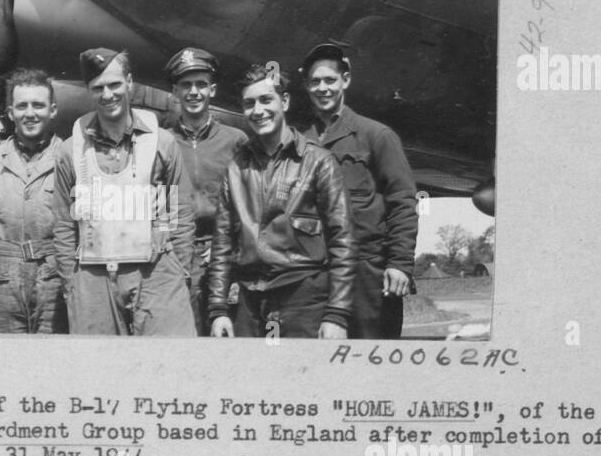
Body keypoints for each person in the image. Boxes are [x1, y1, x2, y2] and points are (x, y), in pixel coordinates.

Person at [50, 47, 196, 336]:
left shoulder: (162, 142)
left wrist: (180, 271)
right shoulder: (70, 150)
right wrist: (72, 284)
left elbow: (179, 212)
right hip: (94, 274)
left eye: (115, 85)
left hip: (156, 271)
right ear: (88, 92)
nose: (108, 95)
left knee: (172, 360)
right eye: (98, 88)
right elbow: (63, 224)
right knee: (100, 369)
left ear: (129, 82)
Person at [208, 64, 356, 339]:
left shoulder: (319, 162)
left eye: (266, 100)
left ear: (284, 102)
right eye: (249, 104)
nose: (258, 110)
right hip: (250, 303)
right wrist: (218, 309)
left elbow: (342, 240)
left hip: (303, 298)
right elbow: (222, 243)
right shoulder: (236, 166)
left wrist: (337, 313)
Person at [297, 41, 417, 339]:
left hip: (367, 273)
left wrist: (399, 264)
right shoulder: (298, 141)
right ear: (306, 86)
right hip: (315, 273)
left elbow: (402, 201)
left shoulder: (377, 135)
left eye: (330, 80)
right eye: (315, 82)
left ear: (345, 81)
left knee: (372, 362)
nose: (322, 88)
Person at [0, 68, 66, 333]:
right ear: (10, 113)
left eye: (38, 105)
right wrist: (2, 260)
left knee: (56, 363)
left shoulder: (70, 158)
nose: (30, 113)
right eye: (22, 106)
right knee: (2, 365)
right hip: (0, 284)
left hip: (55, 280)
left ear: (52, 110)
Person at [163, 47, 247, 335]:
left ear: (212, 89)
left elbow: (251, 203)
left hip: (223, 253)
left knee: (228, 337)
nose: (194, 92)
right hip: (178, 254)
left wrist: (231, 246)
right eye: (186, 85)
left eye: (201, 84)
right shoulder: (163, 143)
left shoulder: (236, 141)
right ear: (175, 91)